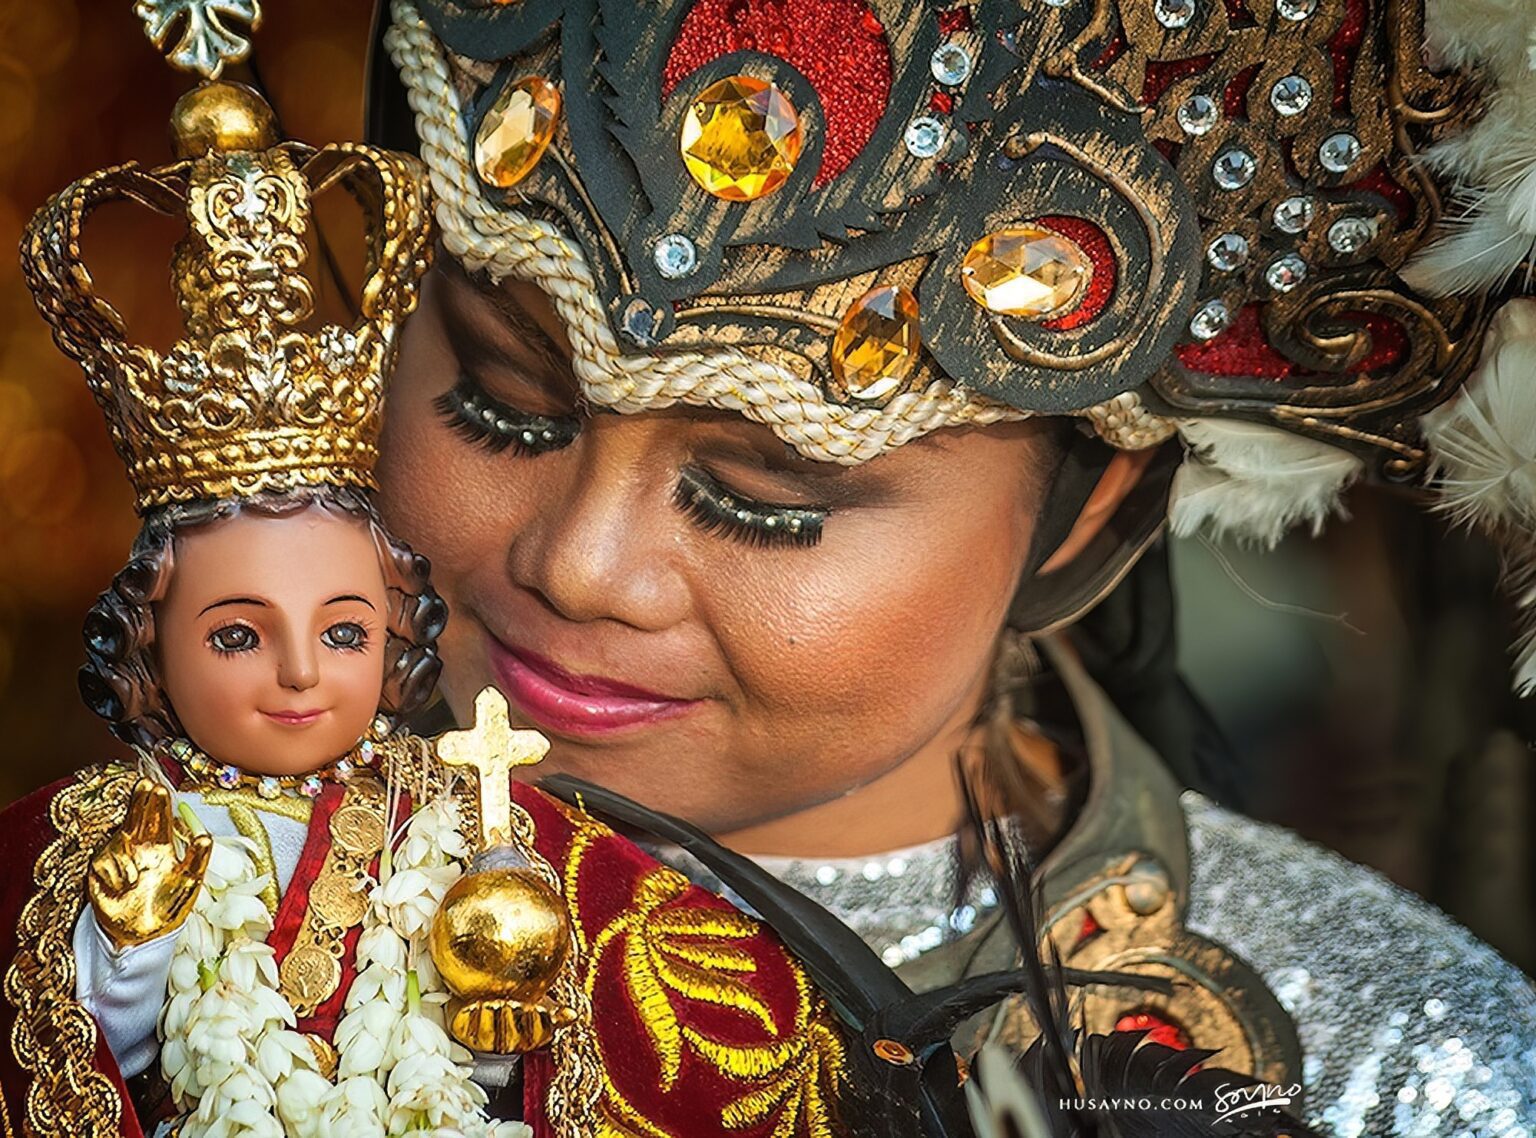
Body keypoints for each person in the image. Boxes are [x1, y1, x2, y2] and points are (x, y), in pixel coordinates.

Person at [361, 0, 1536, 1134]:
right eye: (501, 402)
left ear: (1085, 516)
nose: (579, 565)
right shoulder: (199, 863)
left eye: (765, 498)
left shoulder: (1388, 1062)